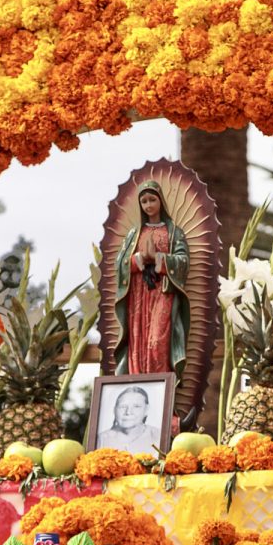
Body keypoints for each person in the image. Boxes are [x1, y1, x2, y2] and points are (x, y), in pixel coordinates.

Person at [113, 180, 190, 378]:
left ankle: (161, 392)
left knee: (157, 342)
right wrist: (139, 259)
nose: (148, 205)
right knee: (138, 343)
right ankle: (137, 384)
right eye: (144, 201)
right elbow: (120, 263)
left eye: (152, 200)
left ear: (161, 201)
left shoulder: (173, 232)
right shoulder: (134, 233)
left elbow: (183, 261)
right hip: (138, 295)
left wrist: (159, 258)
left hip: (162, 293)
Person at [97, 386, 159, 452]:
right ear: (114, 410)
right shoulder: (100, 439)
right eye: (123, 406)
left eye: (136, 406)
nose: (128, 412)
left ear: (146, 409)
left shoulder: (158, 435)